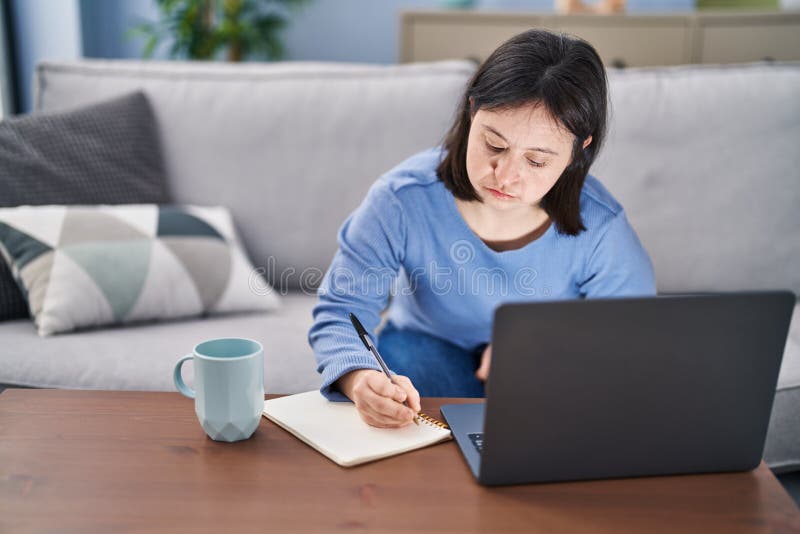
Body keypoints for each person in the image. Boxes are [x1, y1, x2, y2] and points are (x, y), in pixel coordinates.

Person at [308, 29, 656, 429]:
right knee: (416, 405)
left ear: (580, 149)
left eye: (537, 161)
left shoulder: (602, 225)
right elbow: (341, 309)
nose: (505, 176)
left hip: (546, 366)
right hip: (427, 346)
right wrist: (359, 380)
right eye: (494, 145)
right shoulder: (402, 198)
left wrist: (546, 345)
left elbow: (632, 335)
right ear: (473, 110)